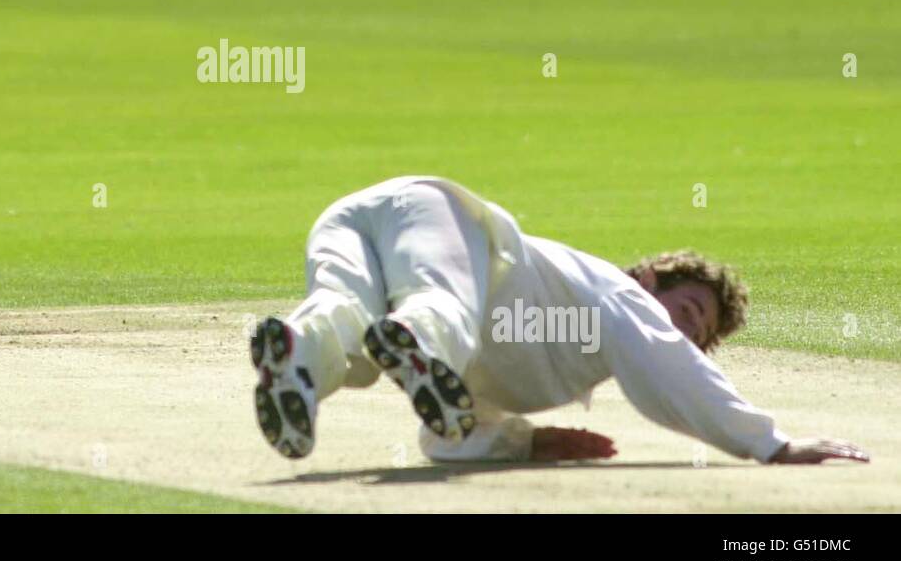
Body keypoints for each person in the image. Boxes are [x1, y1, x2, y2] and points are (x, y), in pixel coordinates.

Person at [251, 176, 870, 465]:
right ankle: (414, 335)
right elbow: (665, 360)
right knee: (441, 309)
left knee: (350, 340)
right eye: (687, 313)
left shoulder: (538, 370)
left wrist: (523, 441)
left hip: (348, 219)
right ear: (649, 279)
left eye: (697, 336)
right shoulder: (616, 294)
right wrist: (771, 443)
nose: (680, 335)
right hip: (434, 213)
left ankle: (297, 353)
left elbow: (447, 432)